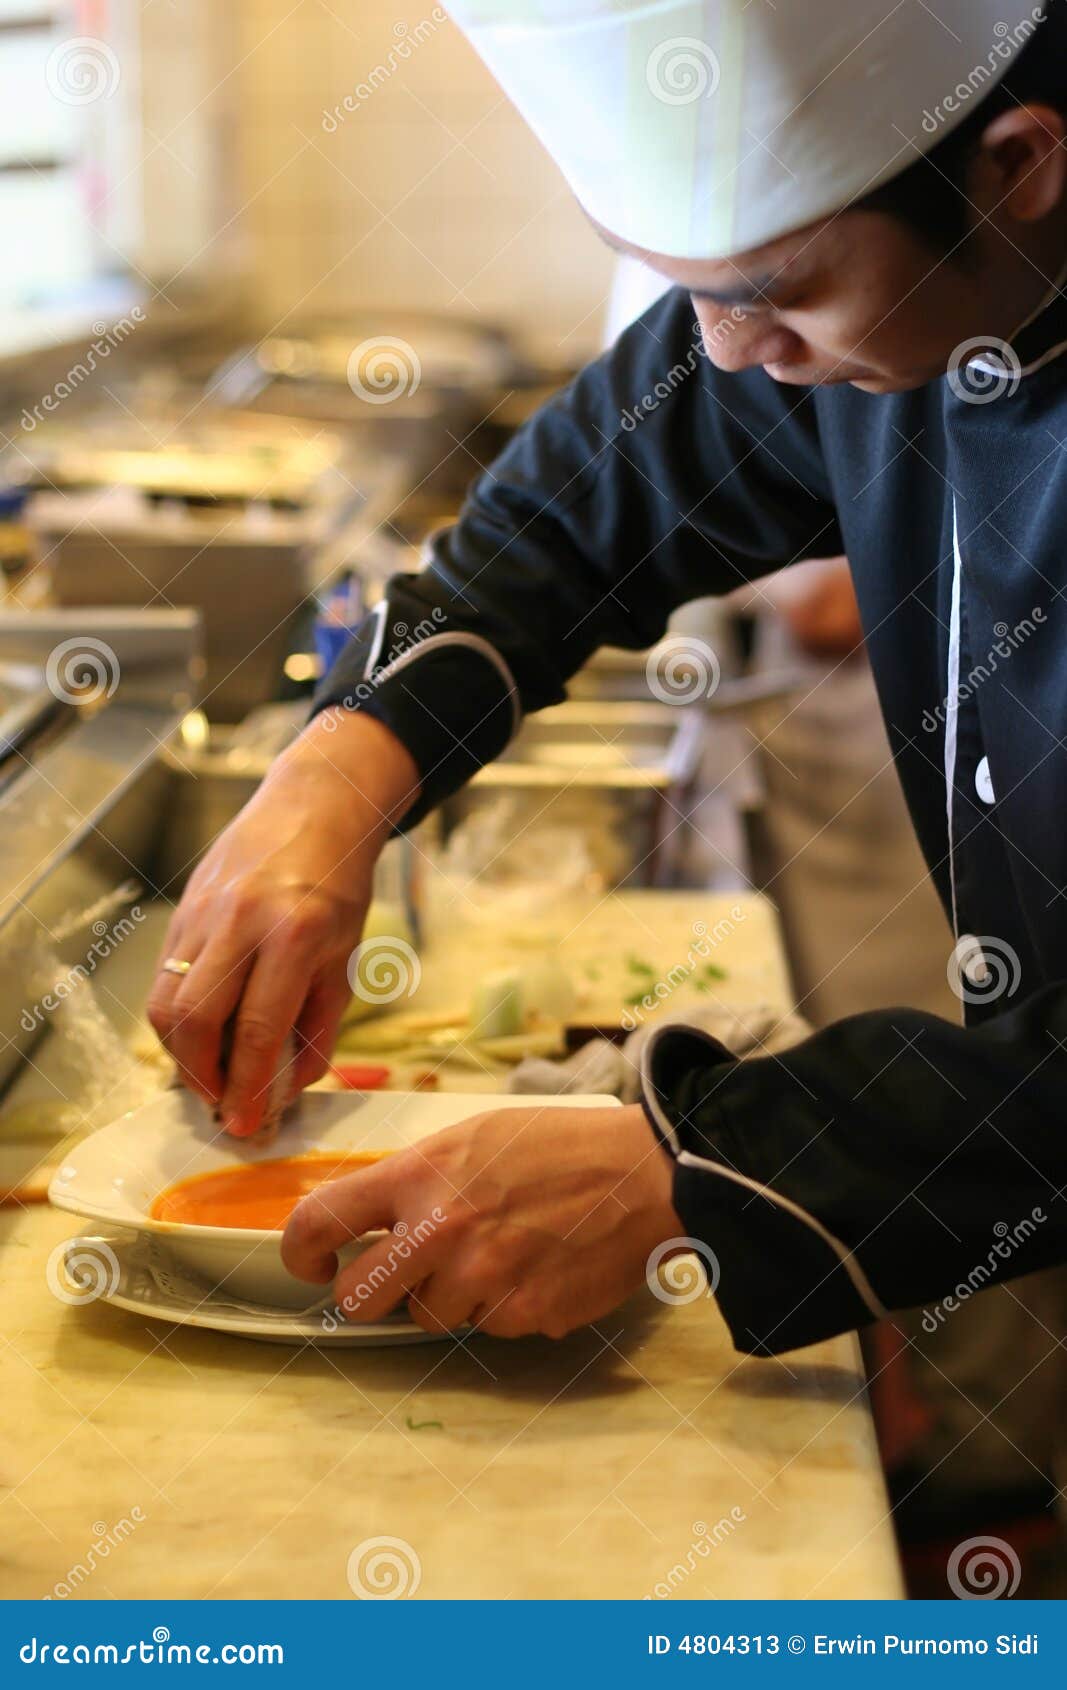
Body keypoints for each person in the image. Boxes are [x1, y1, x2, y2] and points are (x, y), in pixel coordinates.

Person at [150, 0, 1067, 1353]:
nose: (732, 350)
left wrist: (678, 1169)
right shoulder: (876, 314)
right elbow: (583, 504)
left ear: (1021, 167)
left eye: (771, 293)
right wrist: (341, 765)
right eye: (685, 284)